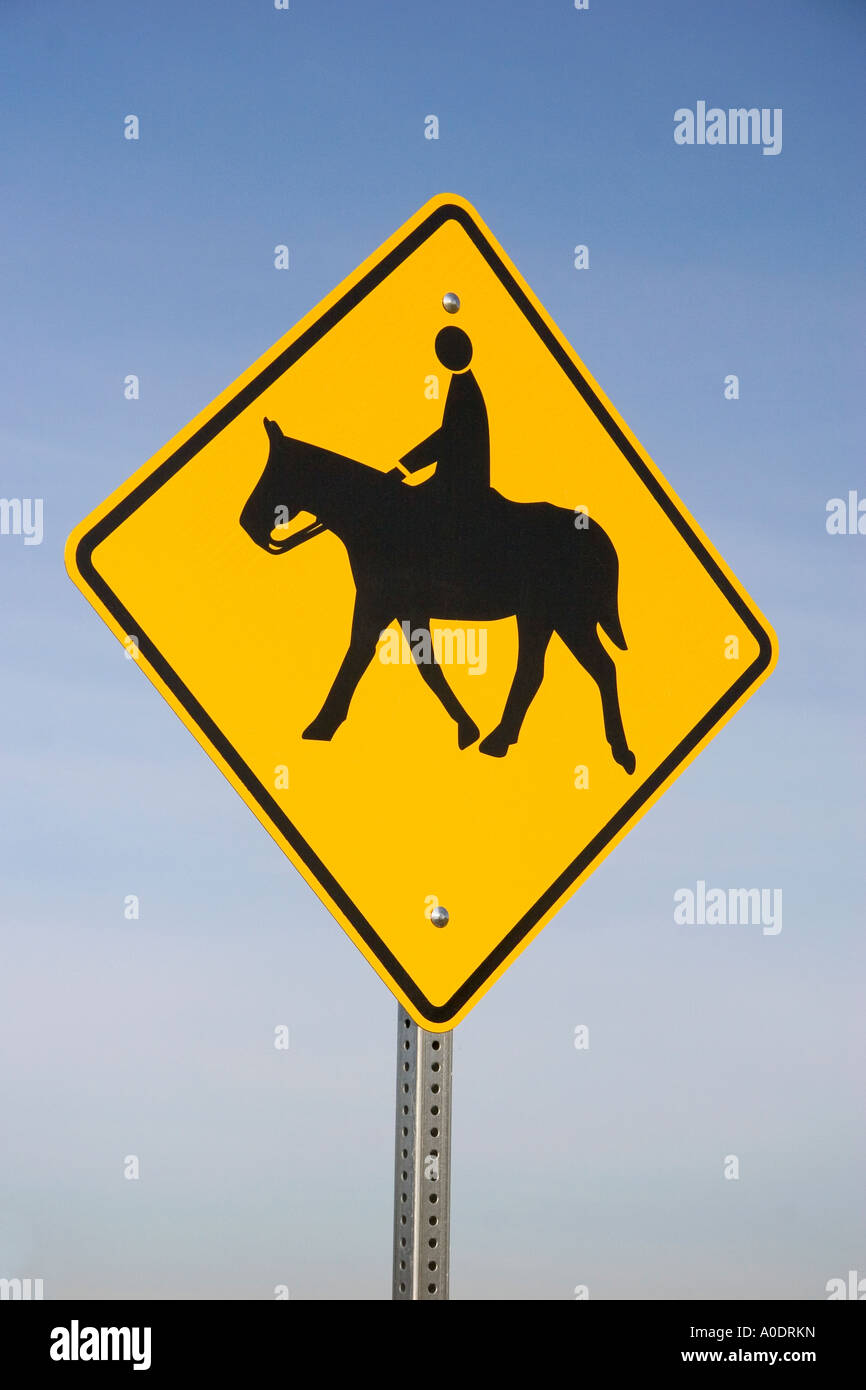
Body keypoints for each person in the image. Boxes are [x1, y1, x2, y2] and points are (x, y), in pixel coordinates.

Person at [394, 327, 490, 516]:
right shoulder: (460, 383)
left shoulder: (466, 389)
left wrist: (402, 469)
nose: (441, 356)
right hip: (453, 479)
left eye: (445, 350)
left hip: (460, 486)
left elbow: (447, 438)